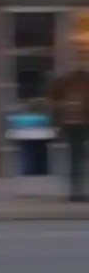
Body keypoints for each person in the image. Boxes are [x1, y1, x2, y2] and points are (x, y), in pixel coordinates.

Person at [50, 52, 89, 201]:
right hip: (78, 125)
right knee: (77, 158)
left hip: (73, 125)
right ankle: (76, 192)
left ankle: (76, 192)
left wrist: (58, 123)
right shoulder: (79, 83)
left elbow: (54, 104)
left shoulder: (64, 83)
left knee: (76, 159)